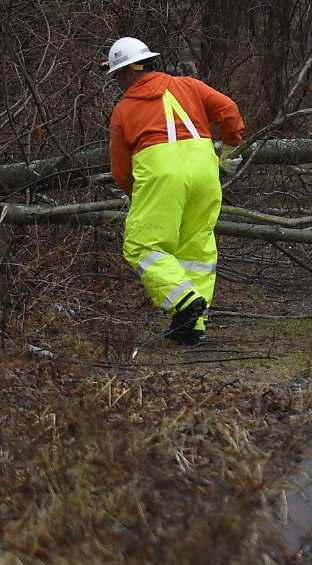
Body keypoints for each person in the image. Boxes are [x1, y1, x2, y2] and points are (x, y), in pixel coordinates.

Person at [105, 37, 246, 345]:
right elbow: (229, 110)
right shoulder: (189, 86)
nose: (117, 81)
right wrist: (232, 149)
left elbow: (120, 171)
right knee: (196, 249)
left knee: (140, 246)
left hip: (161, 175)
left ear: (128, 72)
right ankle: (192, 328)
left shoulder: (124, 110)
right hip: (205, 170)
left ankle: (183, 303)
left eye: (117, 75)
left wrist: (137, 195)